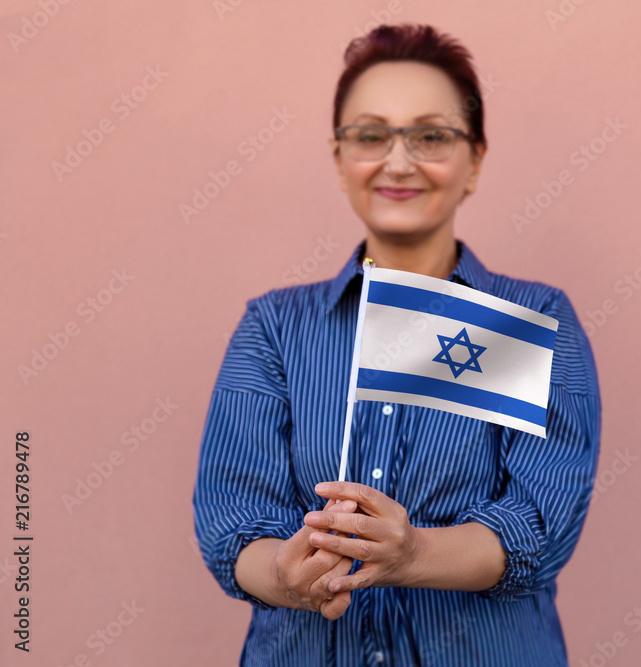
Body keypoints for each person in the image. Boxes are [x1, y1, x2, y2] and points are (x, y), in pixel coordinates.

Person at [192, 23, 601, 666]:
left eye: (431, 135)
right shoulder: (276, 326)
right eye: (371, 135)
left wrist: (411, 555)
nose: (399, 161)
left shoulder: (529, 321)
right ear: (339, 159)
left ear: (475, 160)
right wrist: (283, 574)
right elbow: (232, 517)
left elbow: (538, 527)